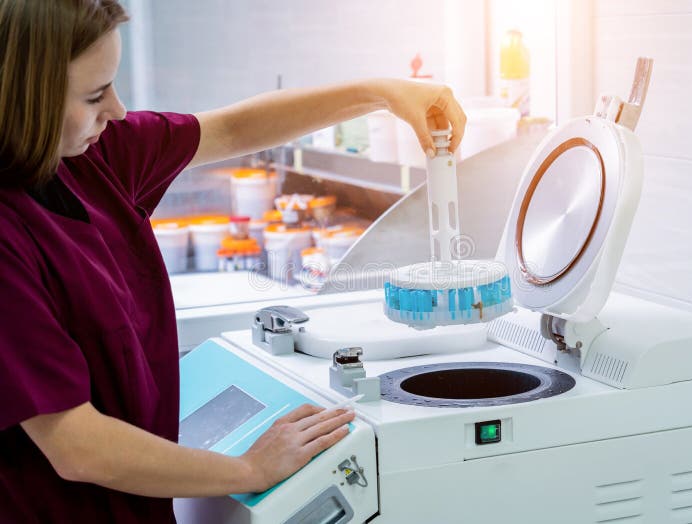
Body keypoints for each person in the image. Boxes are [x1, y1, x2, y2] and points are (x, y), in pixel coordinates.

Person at [0, 1, 466, 522]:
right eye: (93, 94)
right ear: (24, 98)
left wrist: (382, 93)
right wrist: (250, 470)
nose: (119, 109)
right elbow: (77, 446)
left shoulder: (93, 156)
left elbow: (232, 129)